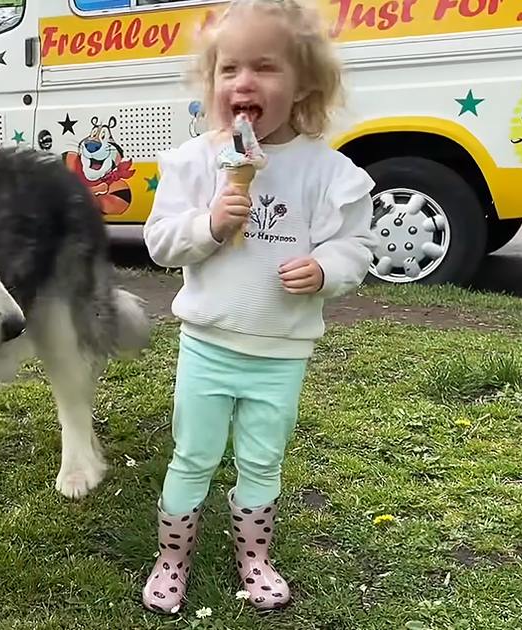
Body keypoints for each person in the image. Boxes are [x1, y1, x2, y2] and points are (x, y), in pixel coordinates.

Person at [139, 0, 376, 615]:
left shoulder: (328, 172)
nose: (243, 83)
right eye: (229, 69)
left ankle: (255, 556)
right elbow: (161, 242)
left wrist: (327, 268)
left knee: (263, 457)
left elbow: (357, 244)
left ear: (304, 84)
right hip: (208, 345)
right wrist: (210, 224)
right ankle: (172, 557)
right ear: (211, 83)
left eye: (265, 68)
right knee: (192, 453)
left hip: (281, 352)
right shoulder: (194, 162)